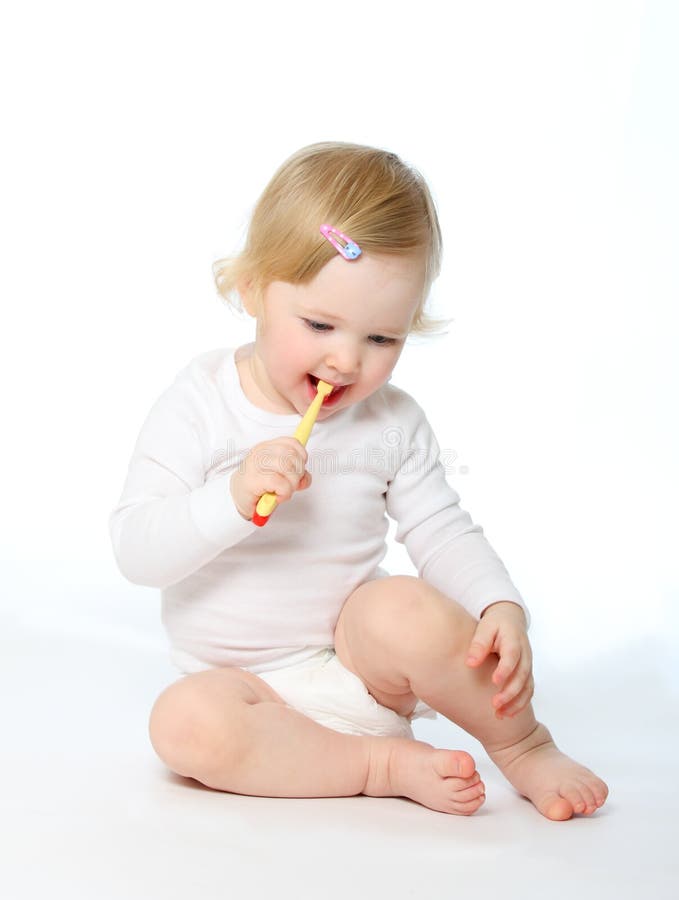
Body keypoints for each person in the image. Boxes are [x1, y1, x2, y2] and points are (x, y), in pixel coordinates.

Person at [109, 141, 608, 819]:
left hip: (360, 668)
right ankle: (378, 765)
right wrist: (231, 499)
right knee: (183, 724)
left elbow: (441, 529)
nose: (346, 360)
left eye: (381, 339)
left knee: (402, 606)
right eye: (319, 324)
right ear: (252, 289)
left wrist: (498, 606)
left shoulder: (391, 421)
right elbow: (137, 551)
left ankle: (523, 744)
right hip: (242, 692)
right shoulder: (198, 402)